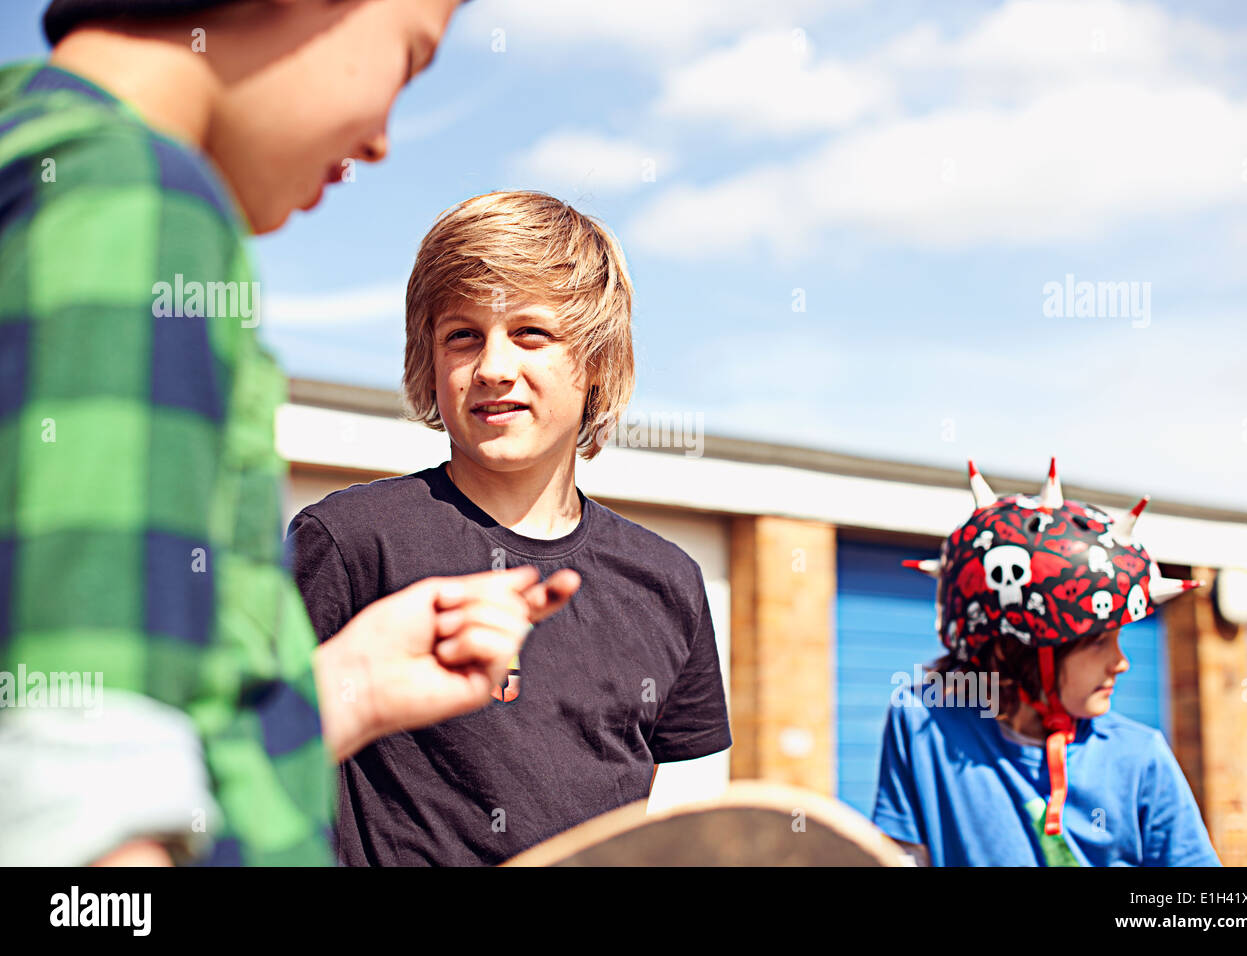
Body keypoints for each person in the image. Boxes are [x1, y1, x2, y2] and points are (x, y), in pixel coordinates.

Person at [0, 0, 581, 867]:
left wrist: (353, 687)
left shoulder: (37, 154)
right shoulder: (134, 190)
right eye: (409, 59)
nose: (383, 138)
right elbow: (81, 778)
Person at [287, 190, 734, 865]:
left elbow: (687, 808)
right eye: (462, 336)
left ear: (596, 366)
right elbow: (257, 753)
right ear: (429, 363)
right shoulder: (349, 542)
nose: (494, 368)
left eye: (531, 333)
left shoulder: (668, 581)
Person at [873, 458, 1221, 866]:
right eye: (1097, 643)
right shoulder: (922, 727)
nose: (1121, 663)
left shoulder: (1141, 759)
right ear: (1011, 647)